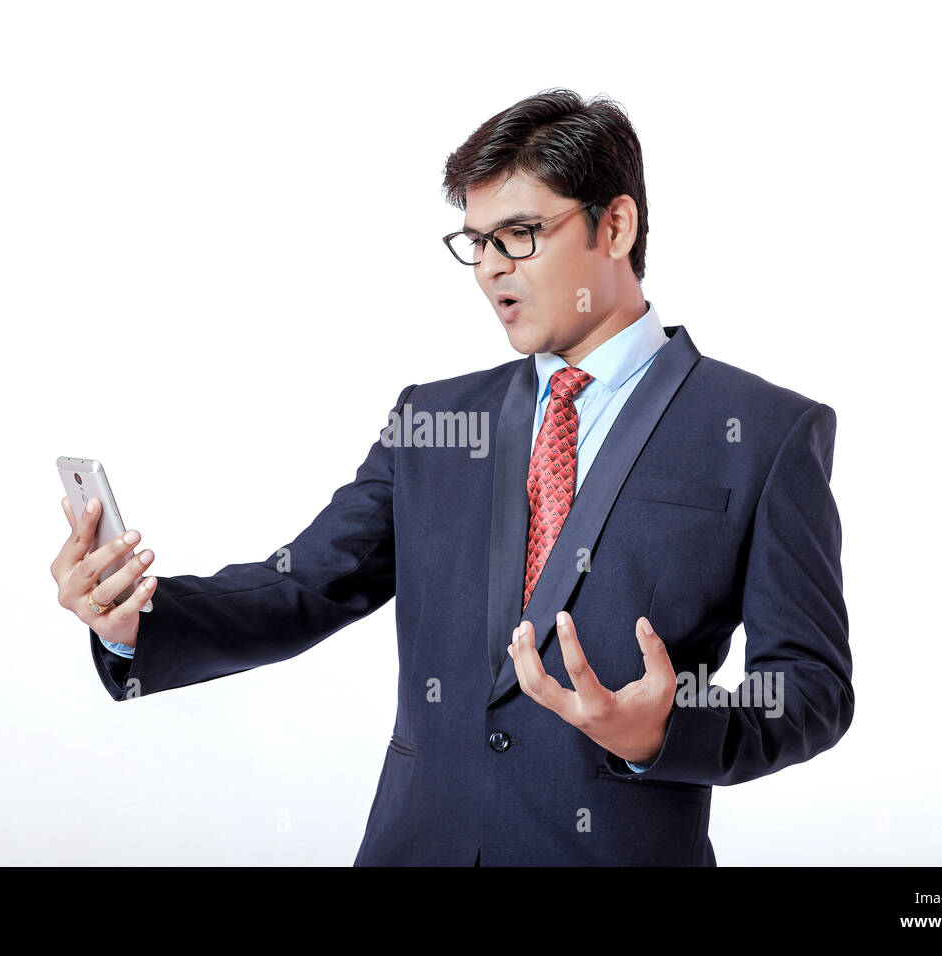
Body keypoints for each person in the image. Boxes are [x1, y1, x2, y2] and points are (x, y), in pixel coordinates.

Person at [50, 88, 853, 866]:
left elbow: (810, 687)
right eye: (476, 241)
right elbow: (306, 584)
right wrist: (138, 620)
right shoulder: (433, 422)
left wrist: (671, 726)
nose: (489, 269)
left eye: (520, 234)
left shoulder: (766, 433)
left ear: (616, 224)